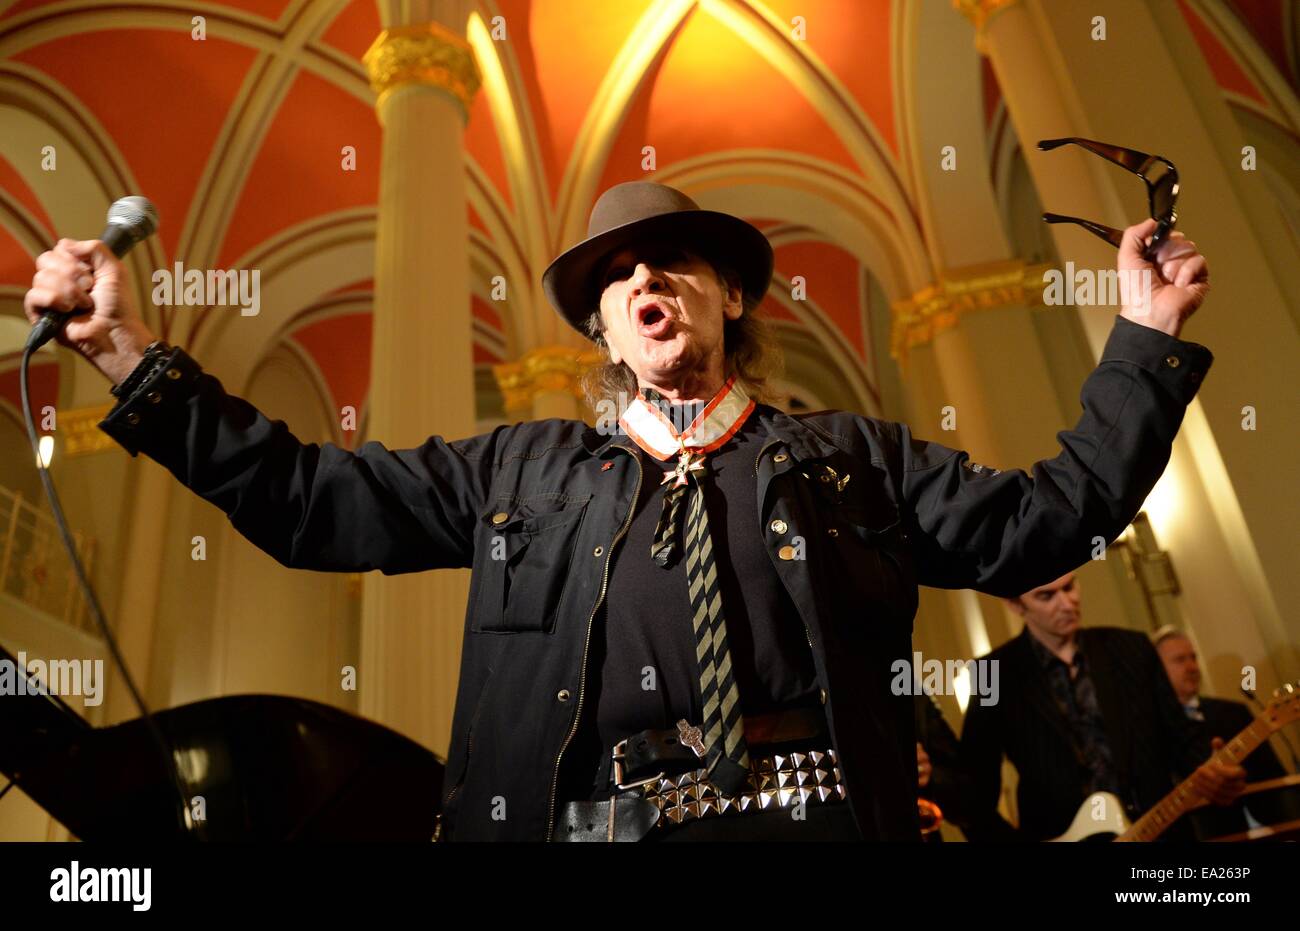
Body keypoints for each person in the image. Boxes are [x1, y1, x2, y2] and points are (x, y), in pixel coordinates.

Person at [25, 180, 1218, 842]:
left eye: (669, 260)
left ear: (731, 294)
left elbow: (1051, 515)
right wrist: (132, 357)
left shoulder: (852, 458)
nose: (640, 278)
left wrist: (1145, 340)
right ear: (599, 325)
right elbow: (303, 499)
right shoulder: (514, 473)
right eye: (613, 275)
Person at [959, 572, 1246, 841]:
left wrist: (1214, 772)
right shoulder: (994, 674)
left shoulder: (1131, 648)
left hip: (1159, 832)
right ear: (1015, 605)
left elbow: (1180, 739)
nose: (1067, 602)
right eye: (1046, 596)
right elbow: (974, 794)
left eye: (1069, 587)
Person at [1153, 627, 1299, 838]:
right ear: (1158, 670)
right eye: (1179, 660)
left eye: (1193, 658)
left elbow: (1273, 778)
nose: (1192, 667)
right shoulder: (1150, 727)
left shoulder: (1233, 713)